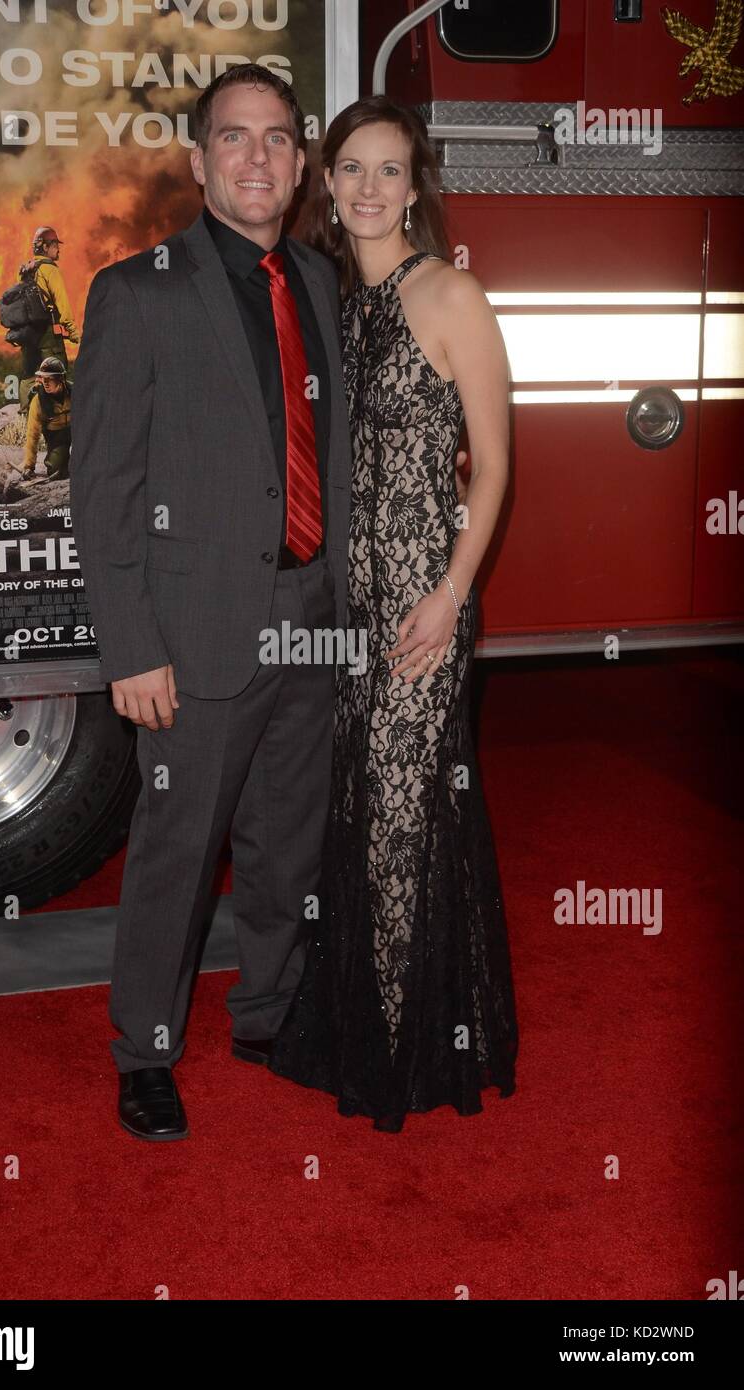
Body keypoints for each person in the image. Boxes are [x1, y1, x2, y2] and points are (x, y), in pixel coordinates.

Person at [69, 64, 352, 1142]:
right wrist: (132, 647)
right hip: (191, 638)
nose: (259, 159)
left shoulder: (321, 284)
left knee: (289, 844)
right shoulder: (134, 292)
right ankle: (145, 1048)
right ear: (198, 161)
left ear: (299, 160)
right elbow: (103, 491)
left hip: (310, 619)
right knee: (178, 852)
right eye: (235, 139)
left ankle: (269, 1011)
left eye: (279, 140)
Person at [268, 95, 519, 1132]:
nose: (369, 189)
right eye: (351, 170)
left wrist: (453, 592)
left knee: (410, 809)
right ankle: (369, 1025)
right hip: (351, 606)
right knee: (367, 805)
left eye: (389, 170)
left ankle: (414, 1051)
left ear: (414, 188)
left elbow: (497, 468)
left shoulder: (454, 295)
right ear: (327, 184)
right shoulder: (333, 301)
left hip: (424, 600)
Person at [17, 227, 80, 413]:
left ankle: (27, 417)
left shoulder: (25, 270)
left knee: (29, 375)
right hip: (47, 333)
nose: (57, 249)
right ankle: (56, 416)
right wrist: (73, 331)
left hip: (28, 333)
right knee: (56, 372)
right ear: (45, 247)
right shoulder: (50, 270)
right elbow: (62, 302)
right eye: (54, 245)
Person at [22, 356, 72, 480]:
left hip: (78, 434)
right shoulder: (38, 402)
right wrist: (29, 466)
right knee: (55, 469)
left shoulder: (75, 392)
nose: (45, 382)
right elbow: (32, 435)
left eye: (49, 378)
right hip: (57, 439)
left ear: (61, 379)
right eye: (43, 378)